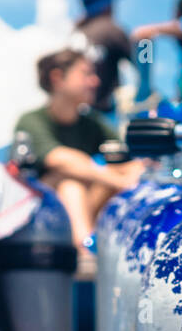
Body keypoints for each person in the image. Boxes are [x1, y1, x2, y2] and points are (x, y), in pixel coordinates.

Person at [13, 49, 142, 249]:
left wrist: (134, 173)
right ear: (57, 78)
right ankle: (86, 254)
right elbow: (58, 159)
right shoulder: (30, 121)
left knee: (115, 173)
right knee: (70, 184)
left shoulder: (92, 123)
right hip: (41, 219)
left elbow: (126, 159)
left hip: (87, 207)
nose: (95, 81)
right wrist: (119, 179)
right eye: (86, 74)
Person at [73, 0, 133, 114]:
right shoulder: (111, 29)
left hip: (77, 114)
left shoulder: (76, 33)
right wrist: (147, 45)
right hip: (106, 112)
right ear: (106, 6)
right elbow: (140, 61)